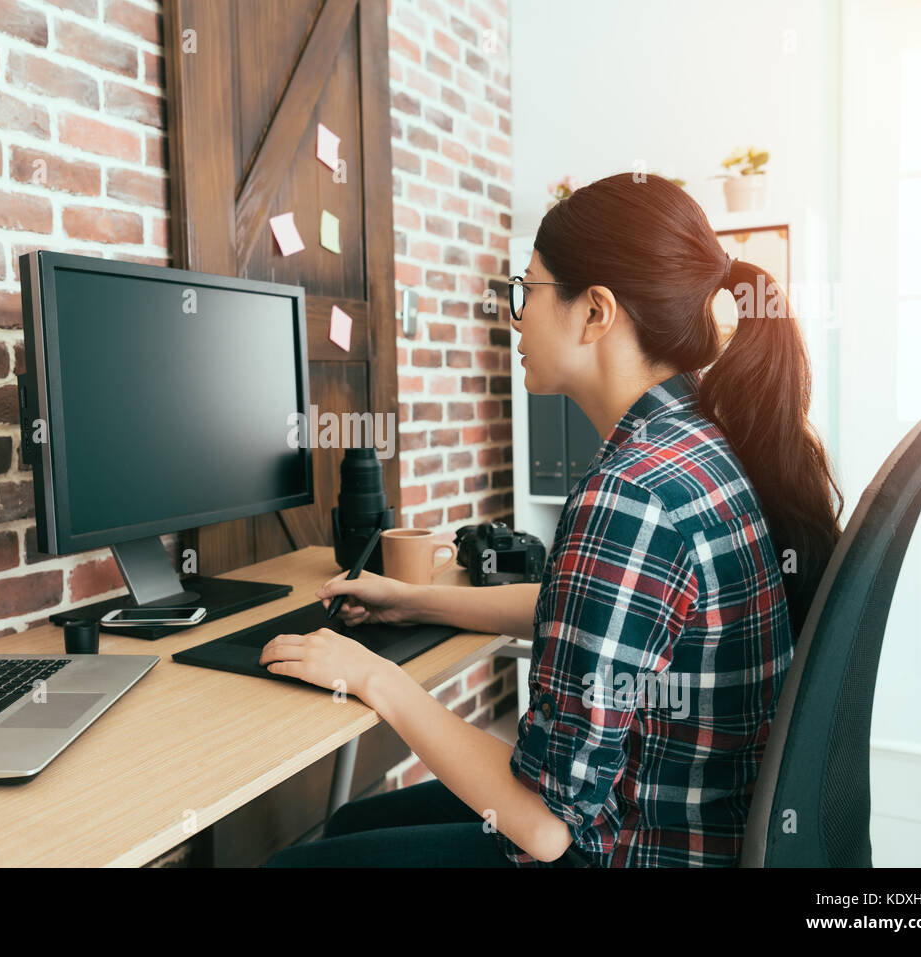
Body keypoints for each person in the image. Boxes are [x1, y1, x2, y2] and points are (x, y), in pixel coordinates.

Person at [260, 173, 843, 867]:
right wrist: (411, 600)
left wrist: (373, 676)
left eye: (526, 290)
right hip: (684, 821)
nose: (515, 317)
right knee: (353, 822)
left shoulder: (629, 492)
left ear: (594, 312)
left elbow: (543, 826)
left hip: (630, 846)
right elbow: (592, 615)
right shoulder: (697, 439)